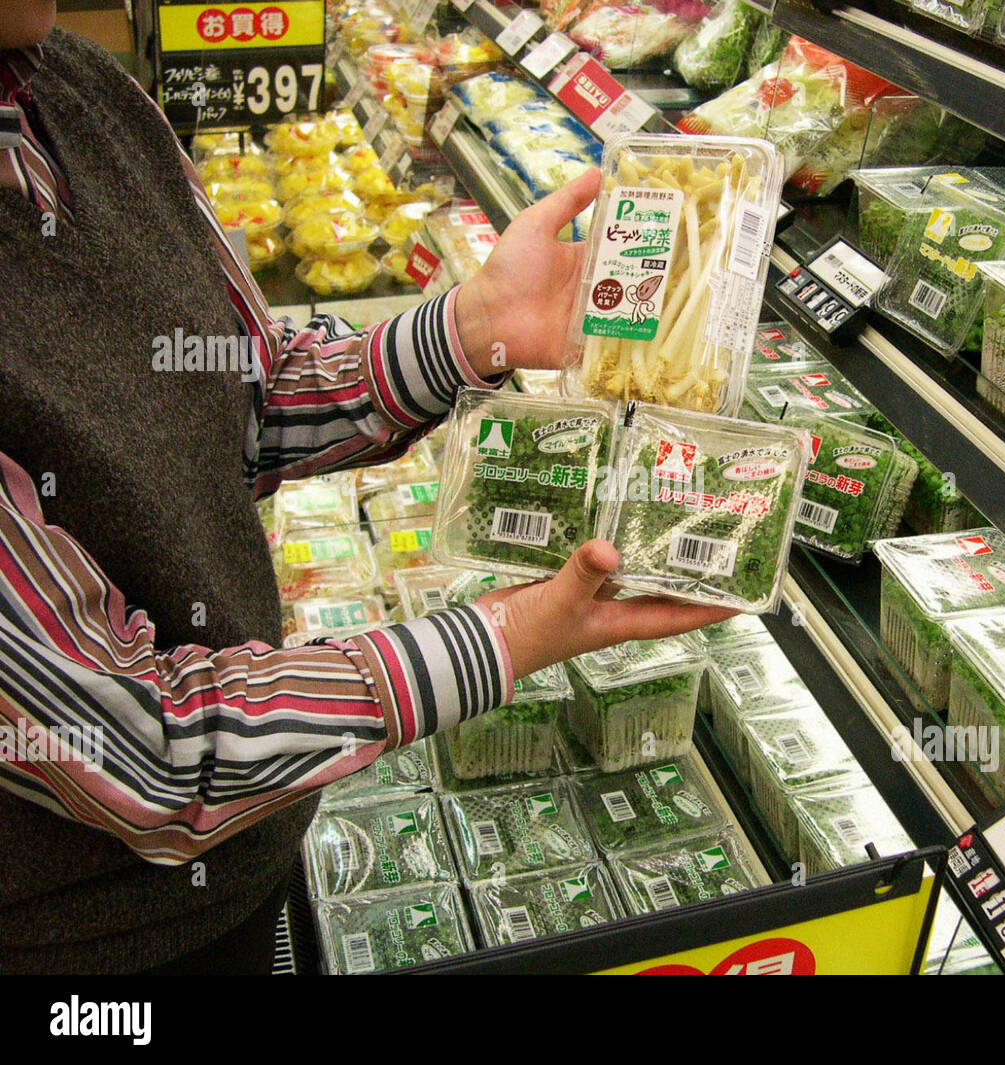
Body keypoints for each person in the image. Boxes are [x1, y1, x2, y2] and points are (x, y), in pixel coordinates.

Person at [0, 2, 733, 974]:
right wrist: (504, 636)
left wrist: (472, 331)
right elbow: (145, 751)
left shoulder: (82, 92)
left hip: (251, 850)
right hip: (100, 948)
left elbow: (240, 397)